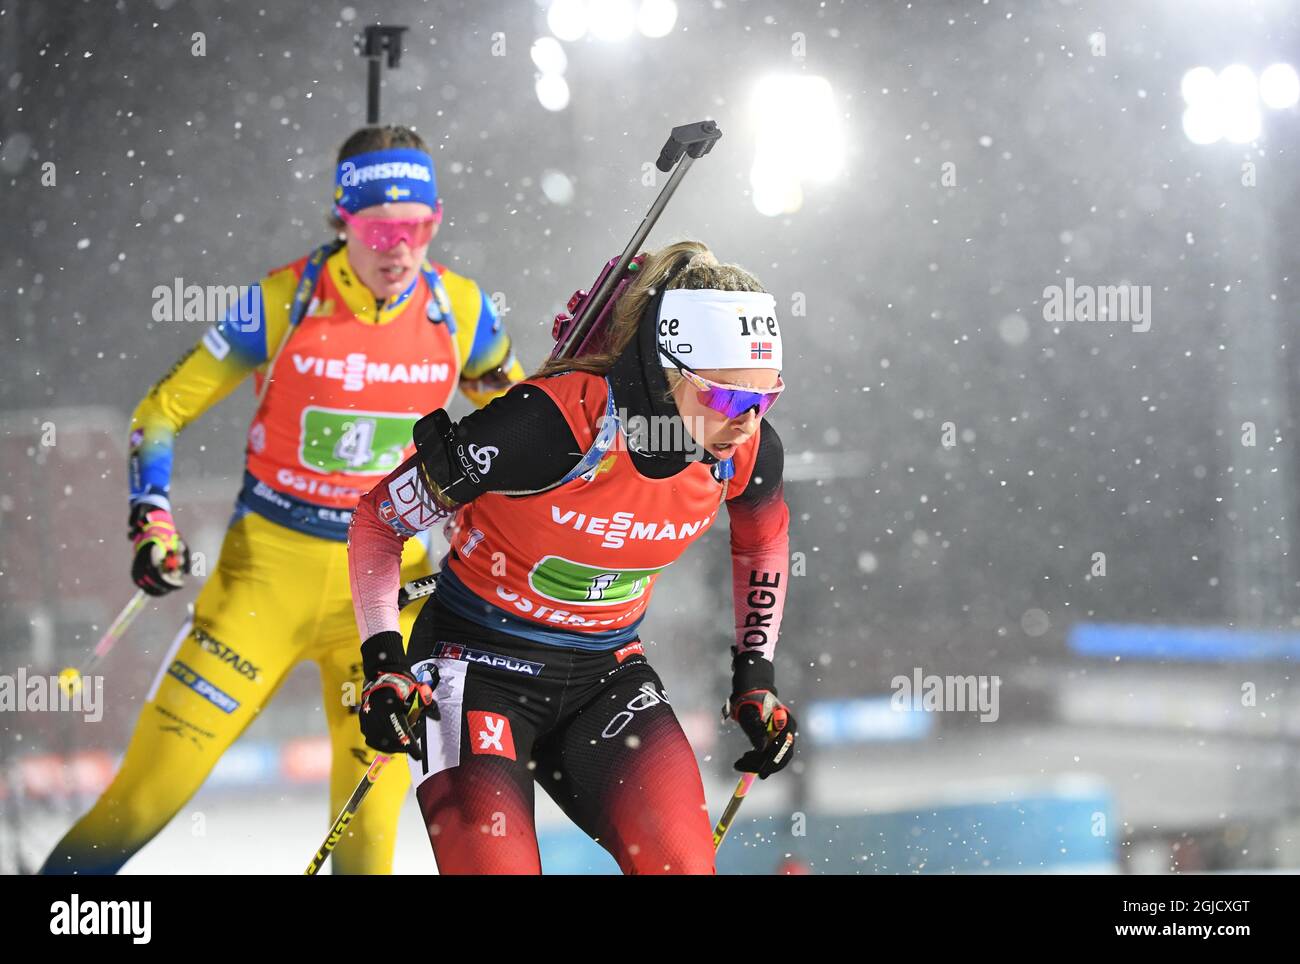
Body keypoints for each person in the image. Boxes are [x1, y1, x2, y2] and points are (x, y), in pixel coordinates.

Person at [42, 125, 525, 875]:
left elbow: (523, 438)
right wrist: (152, 517)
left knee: (366, 851)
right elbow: (161, 410)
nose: (398, 249)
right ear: (343, 220)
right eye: (378, 229)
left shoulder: (463, 313)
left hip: (384, 600)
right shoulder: (283, 300)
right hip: (264, 581)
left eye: (418, 228)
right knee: (137, 807)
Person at [347, 240, 797, 874]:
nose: (747, 424)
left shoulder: (745, 450)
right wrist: (385, 664)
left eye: (765, 400)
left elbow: (762, 539)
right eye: (727, 399)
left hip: (606, 676)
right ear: (670, 373)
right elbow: (379, 520)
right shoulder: (551, 426)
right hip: (473, 669)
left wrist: (756, 676)